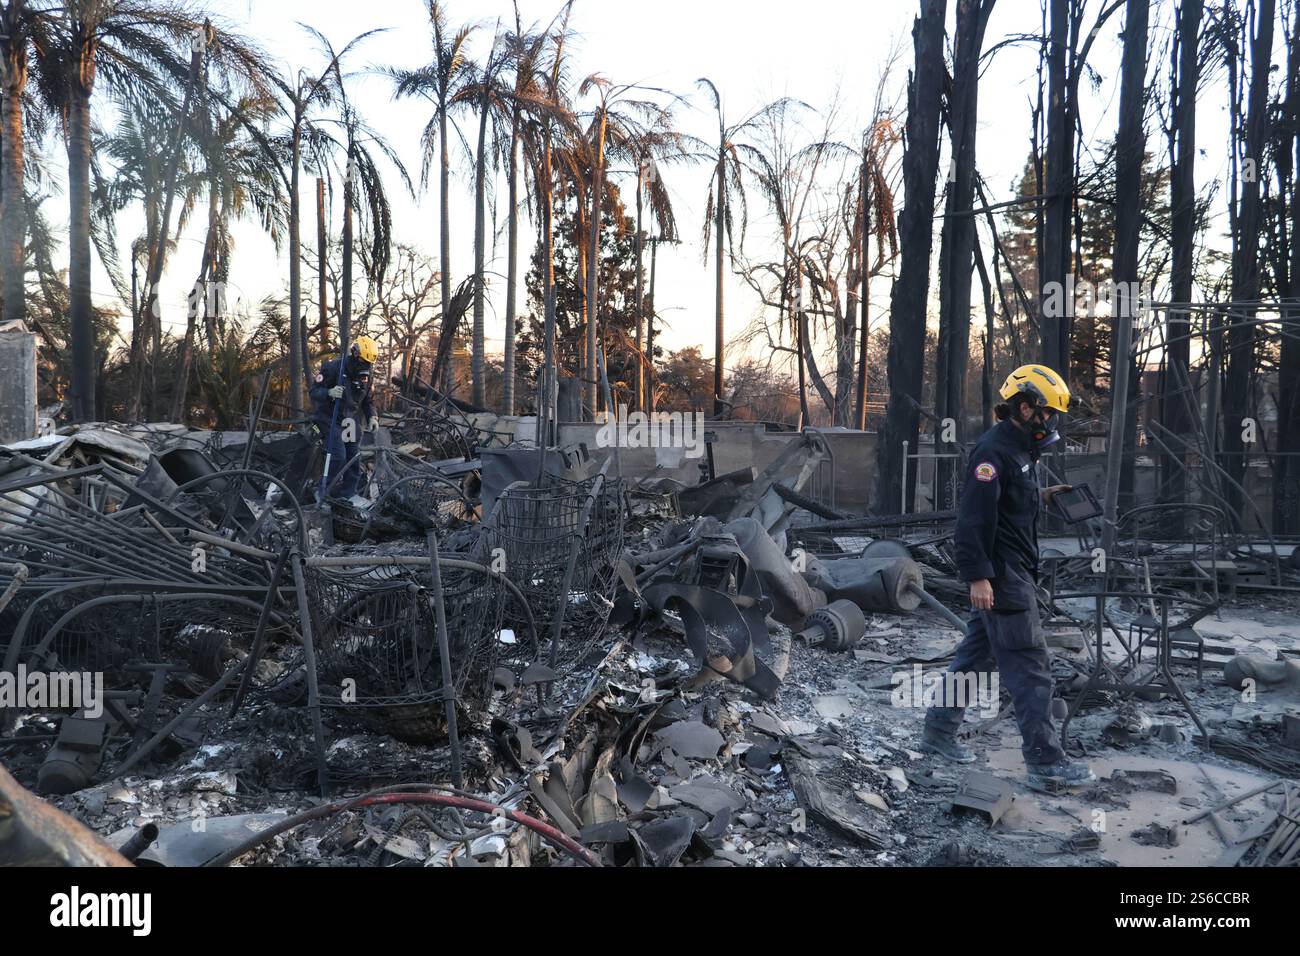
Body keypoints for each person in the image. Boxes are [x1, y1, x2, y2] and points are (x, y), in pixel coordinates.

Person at [918, 364, 1096, 790]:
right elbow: (972, 521)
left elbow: (1007, 503)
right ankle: (1045, 763)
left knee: (976, 657)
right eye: (1046, 412)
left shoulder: (1019, 452)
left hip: (1009, 573)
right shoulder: (992, 453)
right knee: (1031, 668)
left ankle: (938, 733)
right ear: (1022, 406)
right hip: (1003, 578)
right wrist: (978, 578)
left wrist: (1043, 495)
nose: (1050, 421)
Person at [310, 336, 380, 504]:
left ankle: (348, 493)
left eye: (369, 363)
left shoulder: (366, 375)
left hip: (350, 420)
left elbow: (367, 400)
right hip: (329, 417)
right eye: (363, 361)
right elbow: (313, 391)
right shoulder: (332, 368)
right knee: (337, 456)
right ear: (355, 353)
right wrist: (328, 392)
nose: (366, 366)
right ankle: (322, 490)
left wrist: (372, 416)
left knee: (353, 457)